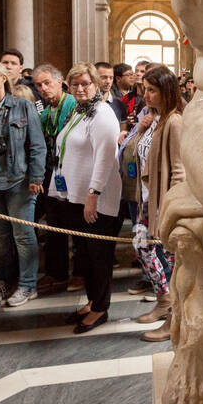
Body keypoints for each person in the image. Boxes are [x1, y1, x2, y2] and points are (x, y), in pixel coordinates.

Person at [50, 63, 123, 334]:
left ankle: (100, 308)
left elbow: (106, 159)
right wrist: (59, 190)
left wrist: (94, 195)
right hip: (75, 196)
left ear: (95, 85)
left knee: (99, 256)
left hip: (96, 199)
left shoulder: (102, 114)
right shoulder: (77, 112)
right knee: (85, 255)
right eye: (75, 84)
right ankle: (92, 300)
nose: (80, 88)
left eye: (85, 84)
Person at [0, 59, 46, 308]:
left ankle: (27, 284)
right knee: (1, 238)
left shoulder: (22, 106)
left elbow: (37, 144)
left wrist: (36, 178)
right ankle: (3, 281)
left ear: (3, 78)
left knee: (23, 236)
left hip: (18, 180)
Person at [134, 65, 186, 342]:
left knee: (175, 265)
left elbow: (179, 170)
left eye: (152, 90)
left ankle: (173, 321)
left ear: (166, 90)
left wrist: (172, 209)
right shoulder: (157, 118)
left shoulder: (175, 121)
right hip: (148, 200)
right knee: (142, 247)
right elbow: (140, 154)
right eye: (144, 89)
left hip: (164, 202)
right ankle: (165, 302)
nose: (146, 95)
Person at [32, 63, 78, 296]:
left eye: (47, 83)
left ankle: (80, 272)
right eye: (39, 85)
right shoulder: (45, 109)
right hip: (53, 171)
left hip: (73, 171)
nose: (43, 88)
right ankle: (56, 272)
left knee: (77, 224)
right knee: (54, 224)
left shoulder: (72, 104)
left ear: (60, 82)